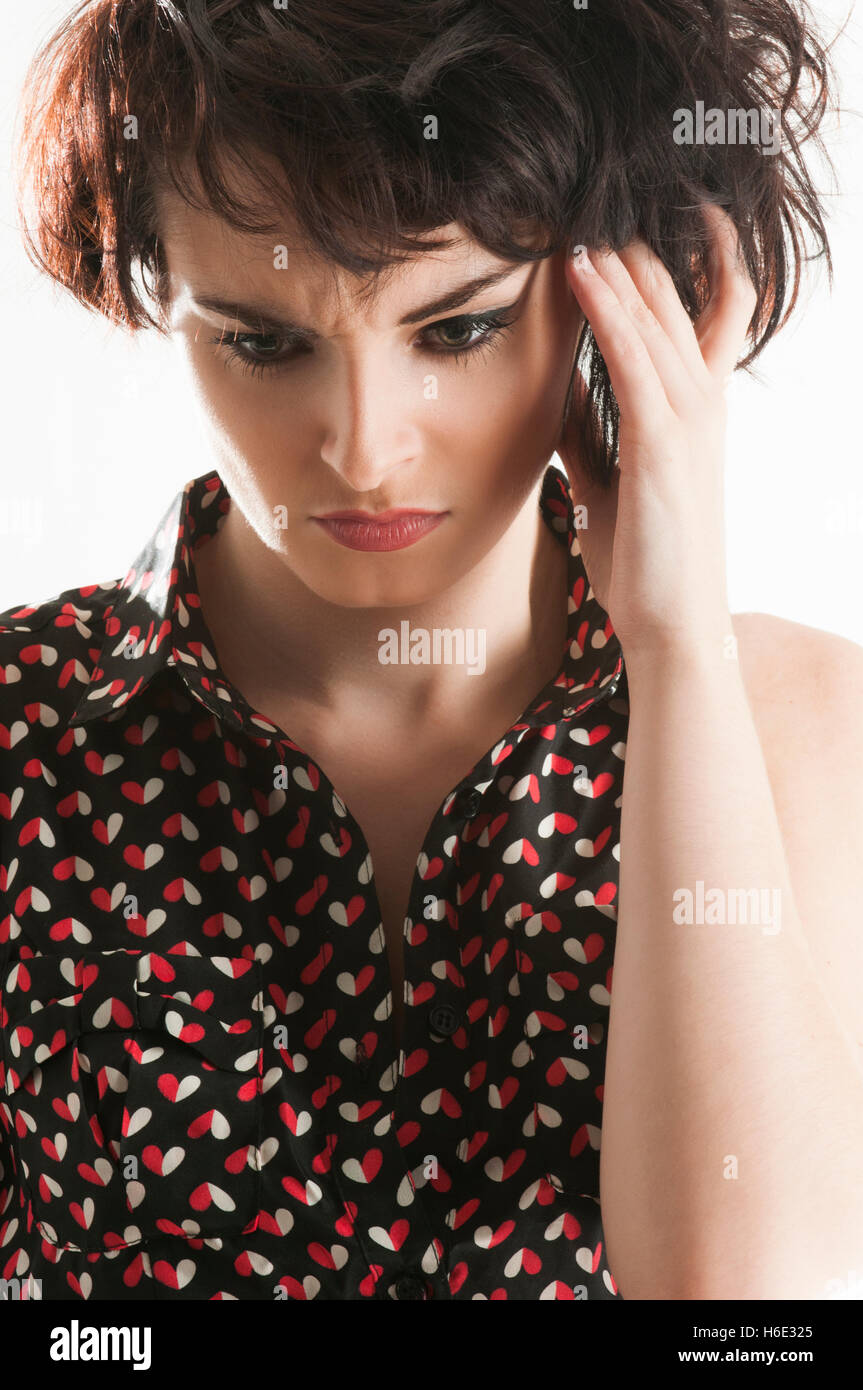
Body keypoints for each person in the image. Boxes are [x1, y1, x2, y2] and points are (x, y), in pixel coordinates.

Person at [2, 0, 862, 1303]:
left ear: (622, 285)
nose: (364, 446)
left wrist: (682, 653)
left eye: (456, 329)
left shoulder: (801, 731)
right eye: (264, 342)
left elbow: (740, 1308)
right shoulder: (26, 738)